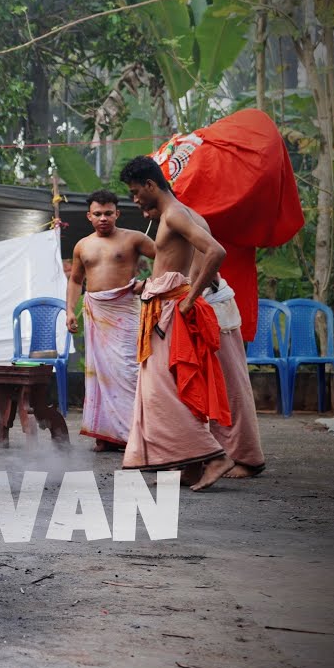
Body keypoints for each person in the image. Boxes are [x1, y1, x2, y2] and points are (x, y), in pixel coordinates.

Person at [119, 155, 233, 491]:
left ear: (150, 185)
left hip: (169, 311)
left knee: (161, 392)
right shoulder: (172, 214)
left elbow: (216, 251)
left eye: (136, 192)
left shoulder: (175, 215)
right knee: (172, 387)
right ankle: (190, 465)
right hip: (162, 308)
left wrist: (190, 298)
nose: (135, 199)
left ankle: (215, 457)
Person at [65, 190, 156, 452]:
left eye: (108, 213)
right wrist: (70, 310)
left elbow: (167, 257)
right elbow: (76, 280)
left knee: (130, 370)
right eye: (98, 214)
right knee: (100, 374)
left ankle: (134, 434)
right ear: (89, 216)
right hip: (96, 312)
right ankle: (106, 434)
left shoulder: (134, 238)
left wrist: (148, 283)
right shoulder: (82, 245)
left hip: (126, 310)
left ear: (117, 213)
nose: (103, 218)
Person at [204, 273, 266, 478]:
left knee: (231, 386)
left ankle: (246, 458)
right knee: (202, 389)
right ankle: (210, 454)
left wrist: (191, 296)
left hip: (211, 306)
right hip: (193, 304)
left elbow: (213, 258)